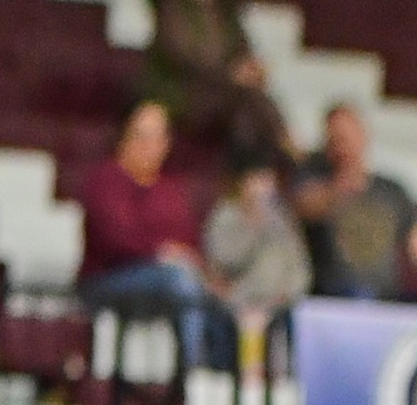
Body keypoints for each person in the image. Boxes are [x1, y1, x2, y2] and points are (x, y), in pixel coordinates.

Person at [79, 100, 235, 371]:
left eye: (157, 136)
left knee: (223, 295)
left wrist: (202, 270)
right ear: (124, 138)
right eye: (141, 136)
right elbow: (113, 239)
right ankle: (192, 370)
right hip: (110, 277)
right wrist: (160, 252)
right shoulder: (106, 180)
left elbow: (190, 241)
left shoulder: (171, 191)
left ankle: (222, 374)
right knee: (180, 281)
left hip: (167, 274)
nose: (149, 145)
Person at [145, 0, 293, 167]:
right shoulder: (170, 5)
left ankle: (258, 171)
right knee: (246, 99)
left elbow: (241, 49)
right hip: (186, 93)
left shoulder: (225, 8)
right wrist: (230, 74)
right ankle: (284, 147)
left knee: (246, 109)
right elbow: (183, 56)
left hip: (225, 93)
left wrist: (251, 68)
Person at [294, 104, 417, 299]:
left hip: (387, 298)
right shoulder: (315, 183)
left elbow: (413, 241)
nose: (343, 145)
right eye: (336, 138)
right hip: (335, 297)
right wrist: (340, 186)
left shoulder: (392, 191)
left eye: (347, 136)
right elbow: (305, 207)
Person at [203, 159, 312, 361]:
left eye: (267, 181)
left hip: (280, 303)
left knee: (299, 320)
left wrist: (290, 293)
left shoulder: (282, 221)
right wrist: (255, 228)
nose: (261, 188)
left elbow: (299, 265)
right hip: (240, 301)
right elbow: (227, 262)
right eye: (255, 180)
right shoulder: (225, 217)